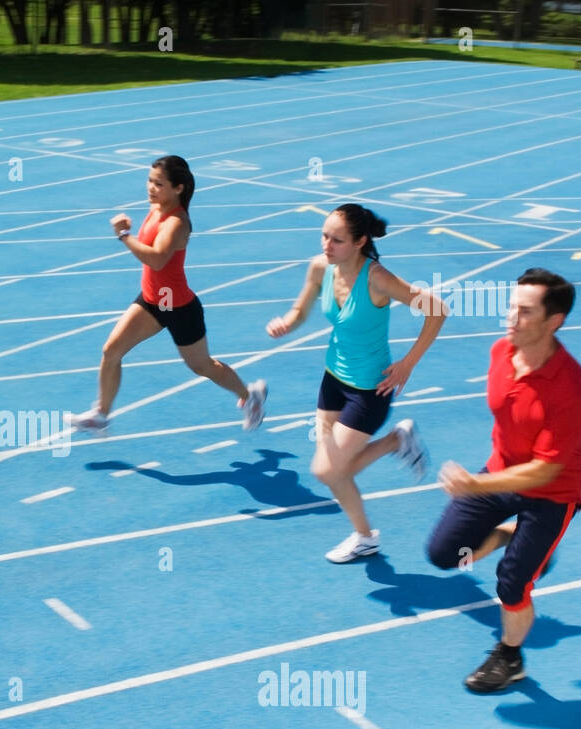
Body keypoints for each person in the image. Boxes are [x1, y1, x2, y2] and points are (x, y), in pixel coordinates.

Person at [426, 269, 581, 693]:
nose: (510, 318)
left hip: (551, 494)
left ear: (554, 321)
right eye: (510, 307)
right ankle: (506, 535)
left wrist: (474, 485)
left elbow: (545, 470)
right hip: (499, 474)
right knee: (447, 555)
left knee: (513, 581)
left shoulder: (572, 388)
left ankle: (509, 656)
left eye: (524, 311)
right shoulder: (500, 351)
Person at [266, 203, 448, 563]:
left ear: (360, 242)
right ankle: (397, 441)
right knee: (334, 470)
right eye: (324, 236)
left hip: (369, 389)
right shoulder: (321, 268)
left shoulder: (378, 279)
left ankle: (366, 536)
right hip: (332, 378)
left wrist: (408, 363)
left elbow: (437, 309)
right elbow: (301, 308)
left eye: (336, 240)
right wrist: (288, 322)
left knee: (326, 470)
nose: (326, 245)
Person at [68, 155, 267, 434]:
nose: (151, 188)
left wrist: (125, 235)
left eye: (159, 184)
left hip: (179, 307)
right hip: (152, 301)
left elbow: (157, 260)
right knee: (111, 351)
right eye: (150, 180)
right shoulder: (157, 206)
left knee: (203, 367)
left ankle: (250, 396)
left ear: (178, 188)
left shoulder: (177, 223)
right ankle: (102, 415)